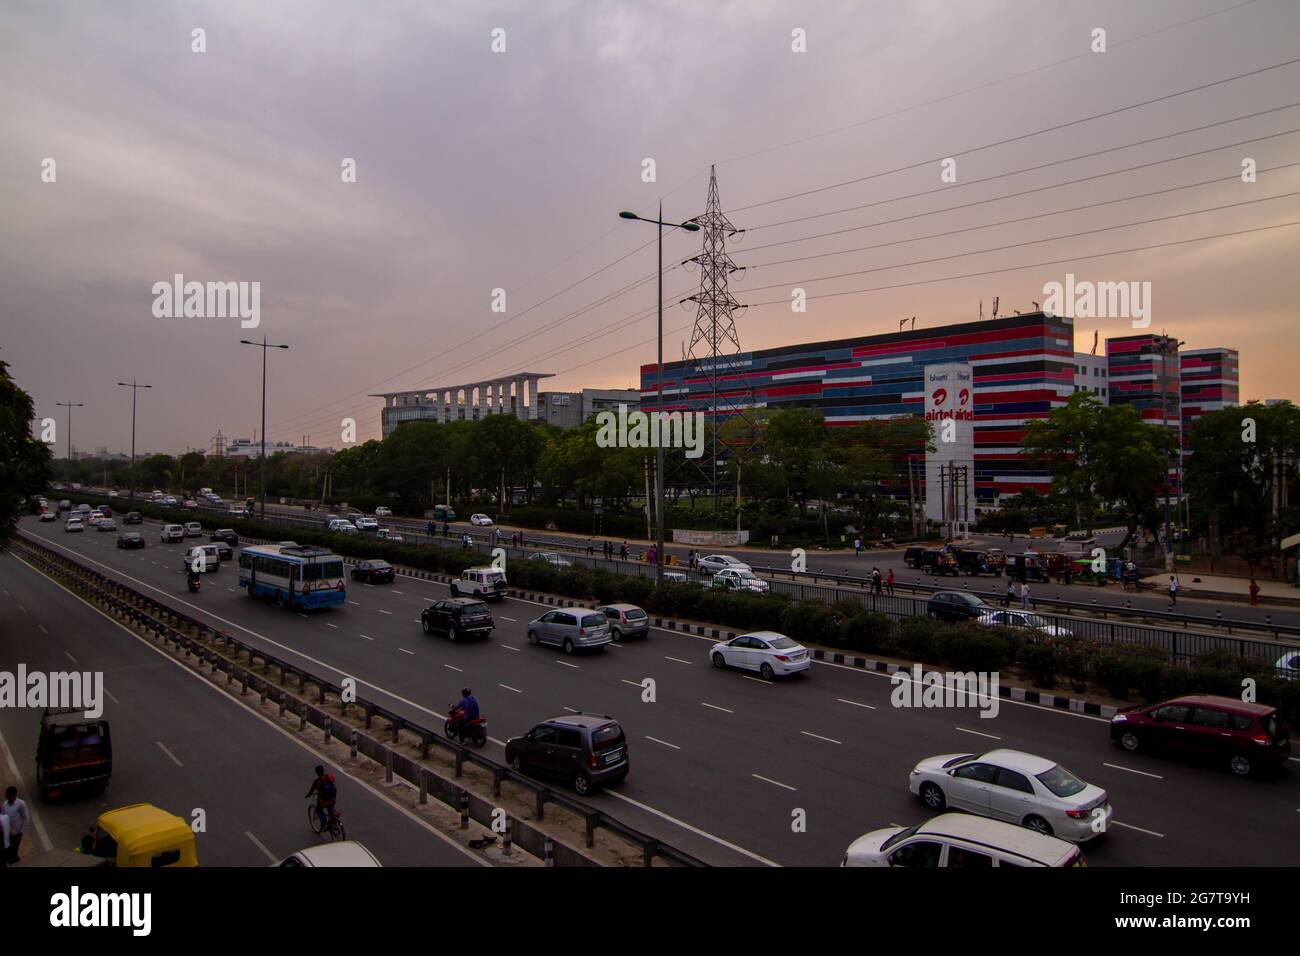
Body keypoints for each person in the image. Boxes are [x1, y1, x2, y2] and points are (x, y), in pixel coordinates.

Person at [306, 765, 338, 831]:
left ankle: (324, 821)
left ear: (317, 773)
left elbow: (311, 791)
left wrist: (307, 795)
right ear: (323, 770)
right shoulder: (329, 777)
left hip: (324, 801)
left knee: (318, 810)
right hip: (332, 798)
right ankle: (334, 822)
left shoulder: (317, 781)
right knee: (331, 809)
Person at [2, 787, 28, 865]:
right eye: (9, 796)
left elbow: (26, 817)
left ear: (15, 795)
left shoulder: (21, 804)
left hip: (17, 833)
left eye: (12, 796)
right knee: (10, 852)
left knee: (13, 851)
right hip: (8, 833)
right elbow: (3, 818)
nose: (10, 798)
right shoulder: (4, 805)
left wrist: (21, 831)